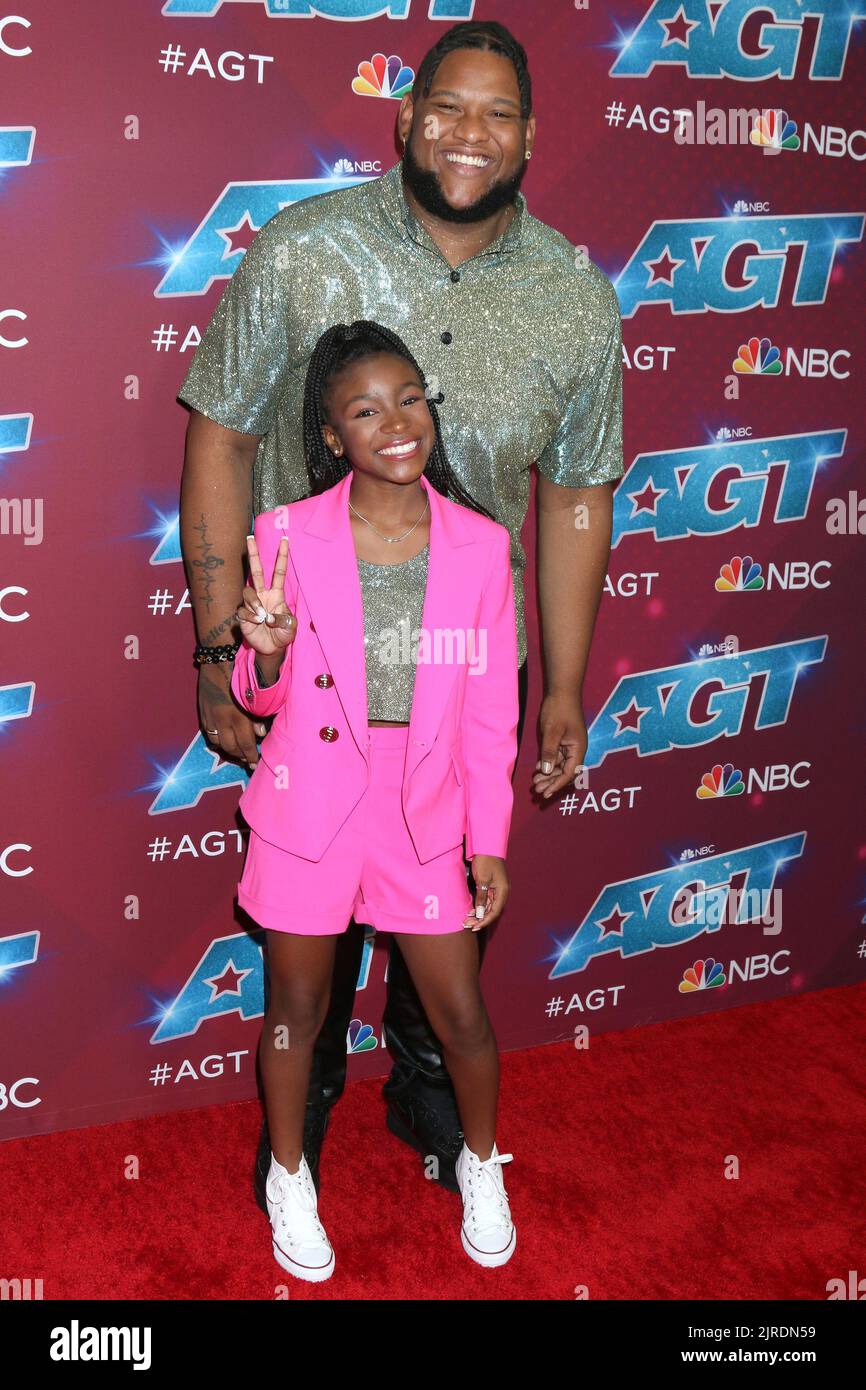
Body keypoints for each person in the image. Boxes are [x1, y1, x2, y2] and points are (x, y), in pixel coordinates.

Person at [178, 19, 624, 1201]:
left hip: (461, 673)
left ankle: (441, 1128)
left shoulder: (573, 298)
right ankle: (294, 1151)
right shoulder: (301, 250)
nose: (467, 136)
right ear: (403, 117)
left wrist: (566, 684)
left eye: (495, 115)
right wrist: (221, 641)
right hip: (301, 659)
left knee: (447, 952)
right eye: (445, 109)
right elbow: (219, 436)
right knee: (304, 974)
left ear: (529, 134)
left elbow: (576, 498)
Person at [231, 319, 519, 1281]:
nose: (395, 423)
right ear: (331, 436)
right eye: (365, 410)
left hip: (424, 810)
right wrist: (262, 654)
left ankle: (482, 1165)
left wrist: (490, 835)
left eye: (409, 398)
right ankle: (287, 1175)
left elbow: (488, 712)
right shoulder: (284, 536)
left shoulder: (480, 547)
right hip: (313, 805)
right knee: (295, 1014)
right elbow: (258, 695)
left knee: (463, 1017)